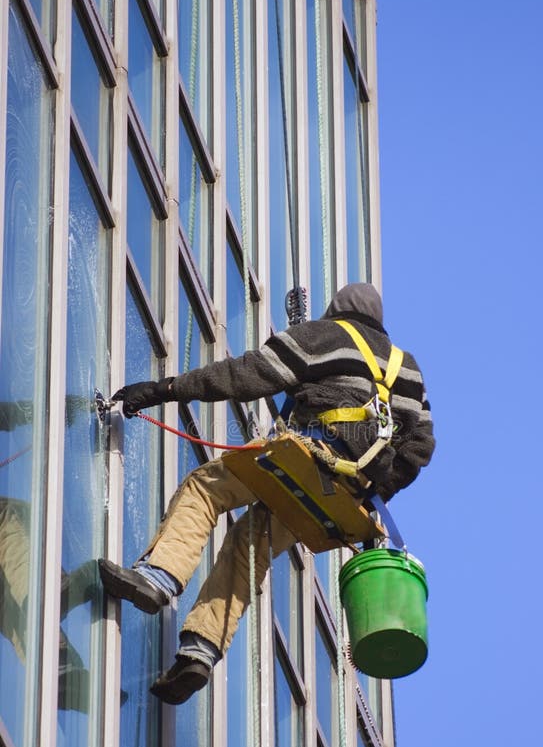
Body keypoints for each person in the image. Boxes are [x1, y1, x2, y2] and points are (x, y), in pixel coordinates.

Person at [99, 283, 435, 704]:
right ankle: (200, 651)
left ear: (336, 311)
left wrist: (164, 390)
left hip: (306, 454)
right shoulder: (408, 370)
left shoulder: (324, 335)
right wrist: (375, 491)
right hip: (344, 494)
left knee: (206, 488)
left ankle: (158, 578)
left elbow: (244, 375)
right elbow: (420, 447)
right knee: (249, 544)